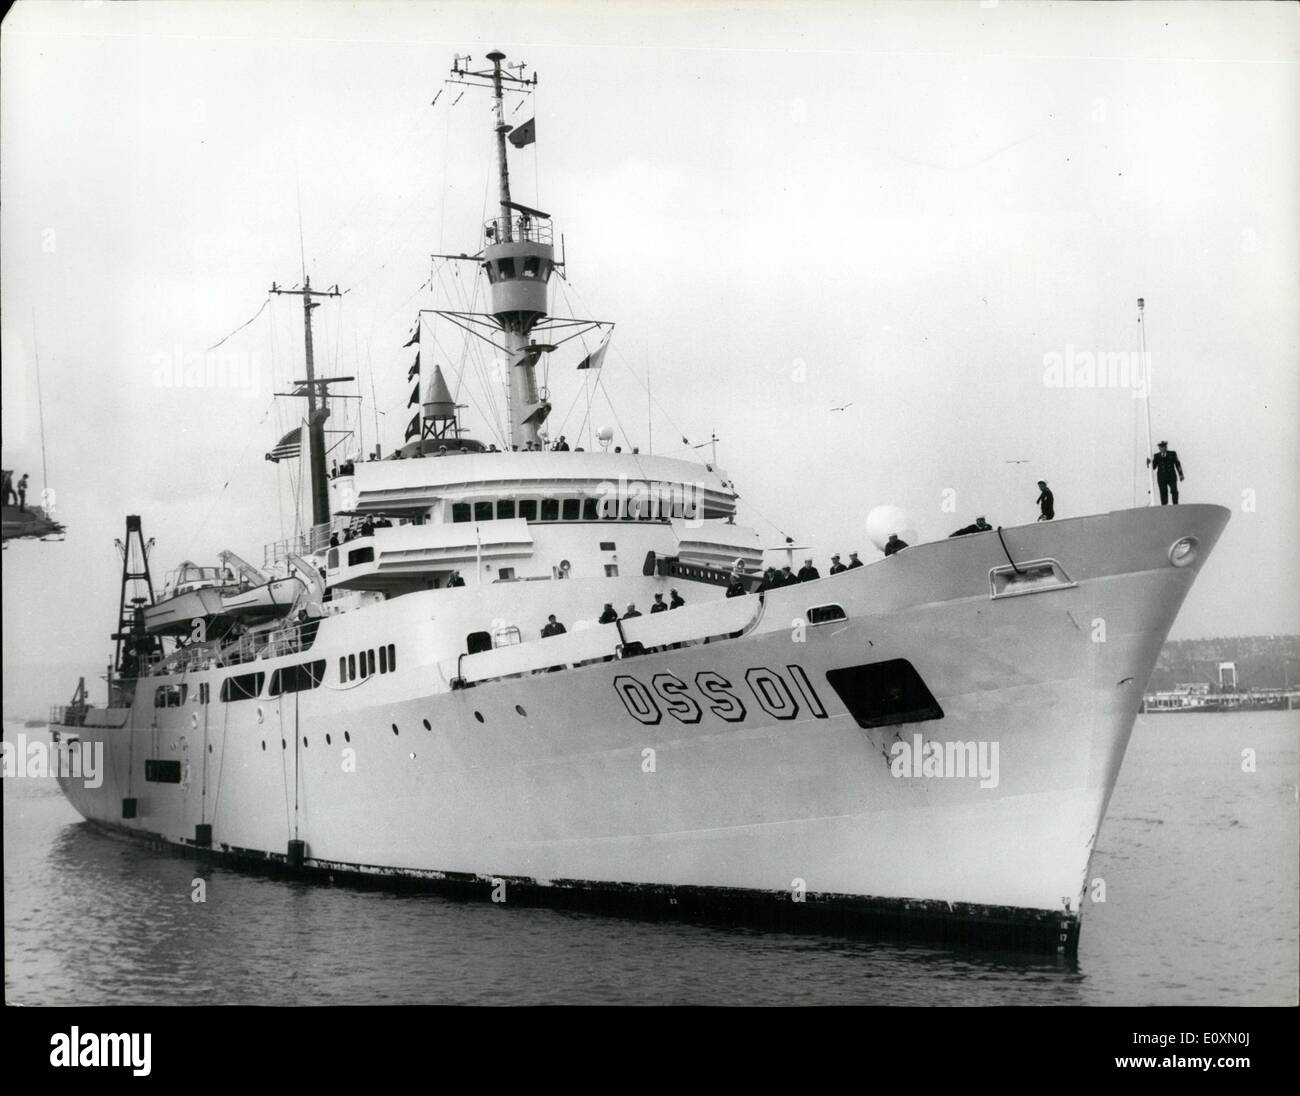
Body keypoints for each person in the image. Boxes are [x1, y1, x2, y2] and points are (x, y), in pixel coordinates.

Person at [1149, 441, 1184, 505]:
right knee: (1163, 493)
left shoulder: (1172, 454)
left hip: (1171, 476)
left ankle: (1175, 505)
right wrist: (1149, 463)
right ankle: (1164, 507)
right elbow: (1153, 467)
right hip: (1162, 477)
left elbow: (1177, 464)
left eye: (1164, 447)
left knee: (1174, 491)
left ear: (1166, 447)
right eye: (1161, 447)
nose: (1162, 448)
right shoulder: (1157, 456)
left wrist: (1181, 474)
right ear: (1159, 448)